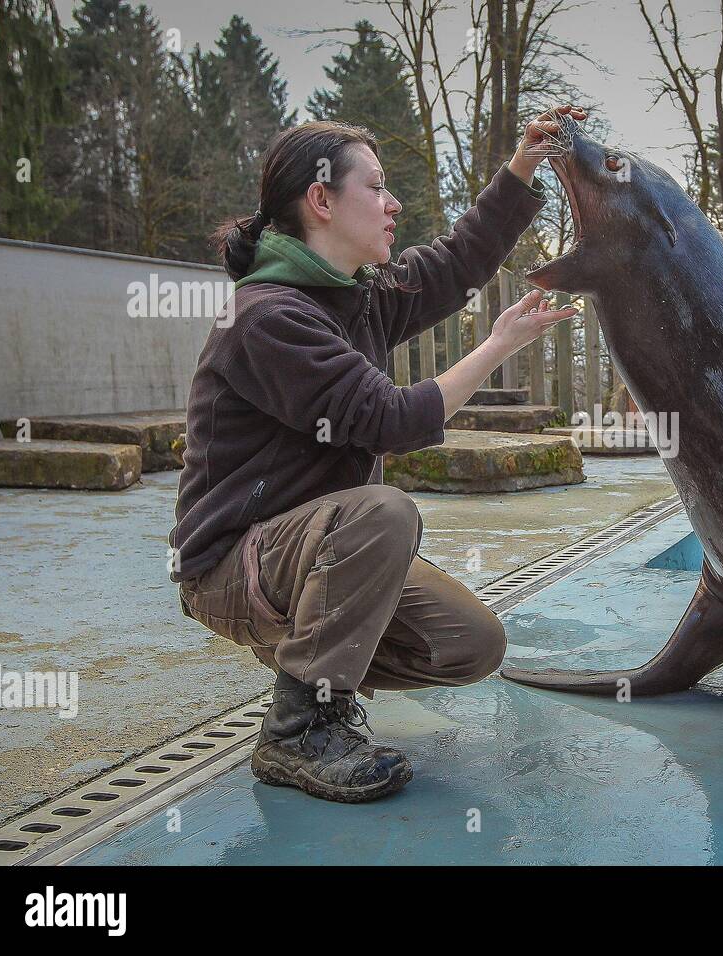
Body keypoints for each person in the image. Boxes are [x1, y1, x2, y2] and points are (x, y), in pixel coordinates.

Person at [168, 105, 586, 803]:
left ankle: (312, 671)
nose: (393, 205)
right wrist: (497, 346)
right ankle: (300, 729)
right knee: (384, 514)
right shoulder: (267, 316)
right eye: (378, 187)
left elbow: (457, 264)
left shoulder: (361, 298)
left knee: (471, 643)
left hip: (315, 554)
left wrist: (524, 165)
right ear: (322, 199)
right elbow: (388, 420)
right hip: (231, 566)